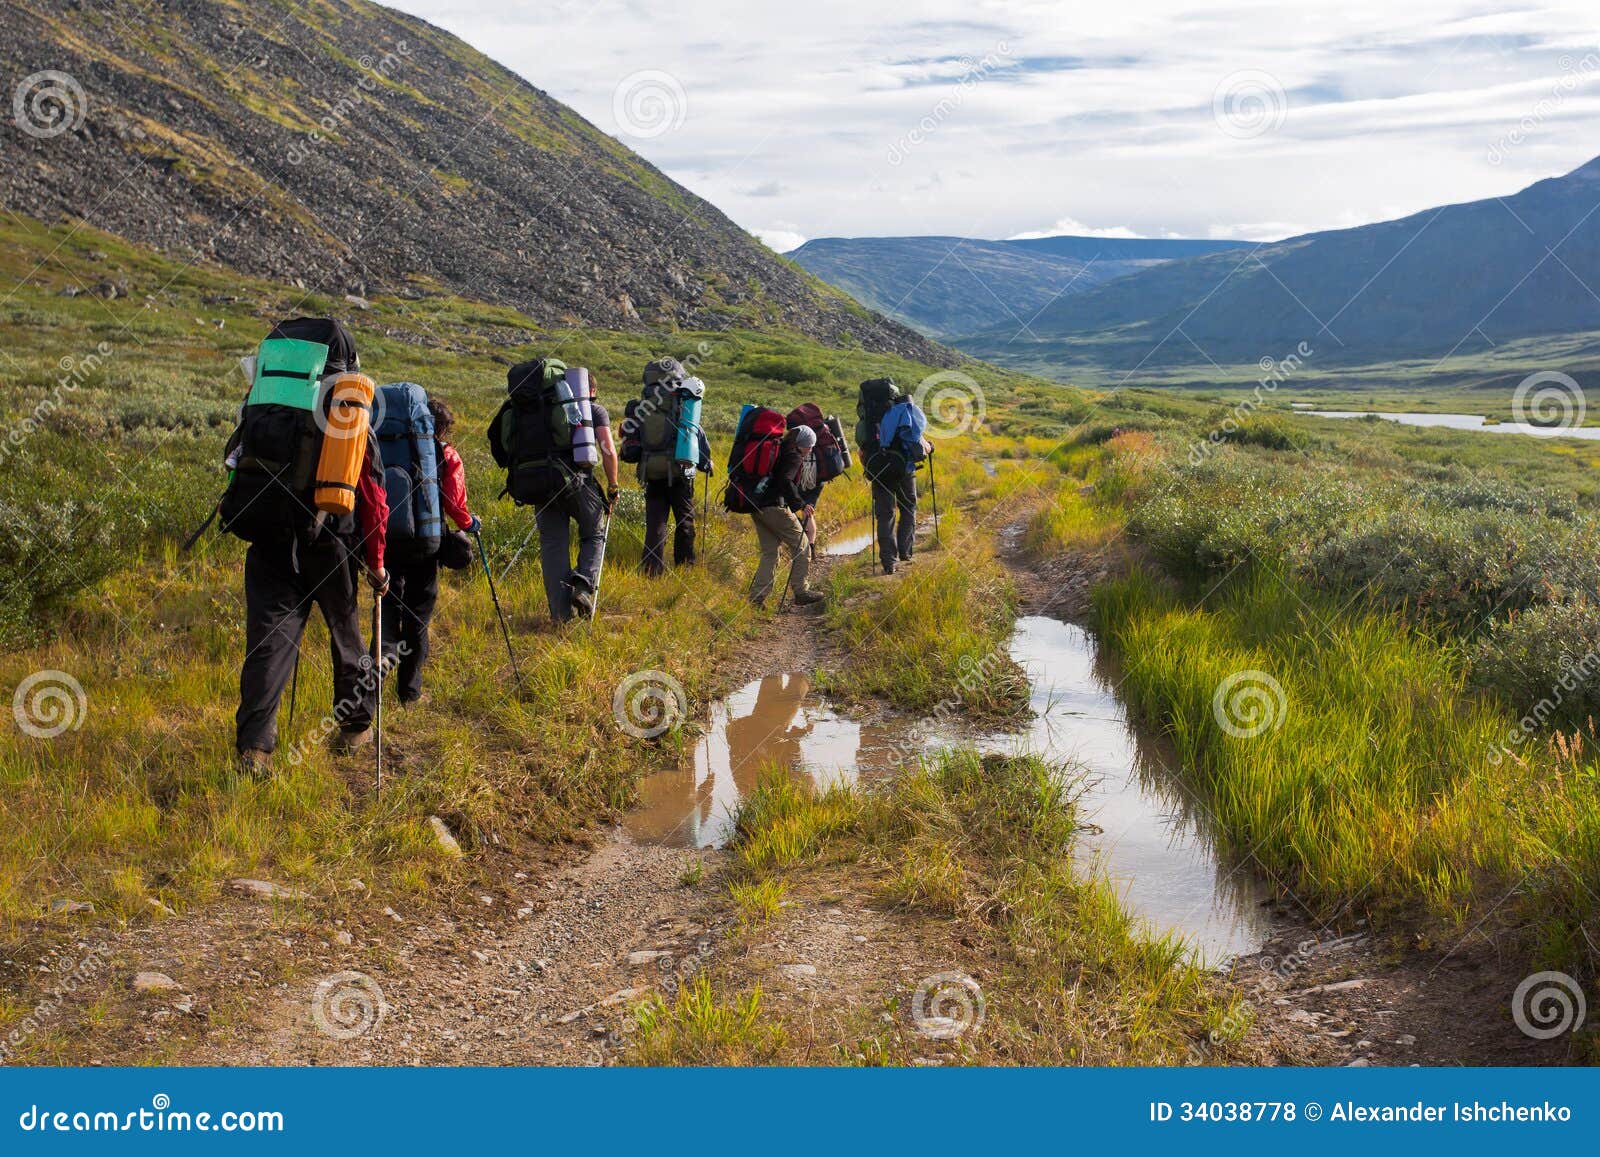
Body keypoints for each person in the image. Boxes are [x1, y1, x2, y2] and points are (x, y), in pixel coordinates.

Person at [229, 322, 390, 777]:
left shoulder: (263, 402)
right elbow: (375, 497)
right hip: (329, 541)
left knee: (267, 641)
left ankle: (255, 749)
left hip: (268, 537)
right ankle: (355, 728)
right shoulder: (348, 412)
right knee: (345, 634)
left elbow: (234, 463)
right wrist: (377, 564)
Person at [380, 397, 479, 707]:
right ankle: (410, 694)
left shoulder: (383, 448)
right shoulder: (445, 454)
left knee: (387, 609)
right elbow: (453, 503)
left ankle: (382, 661)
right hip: (425, 544)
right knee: (417, 616)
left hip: (387, 540)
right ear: (442, 428)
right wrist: (470, 523)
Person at [538, 372, 619, 622]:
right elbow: (608, 450)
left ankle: (561, 617)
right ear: (589, 390)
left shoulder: (543, 408)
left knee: (553, 546)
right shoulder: (594, 410)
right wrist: (613, 485)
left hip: (543, 484)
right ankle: (583, 587)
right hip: (579, 482)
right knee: (594, 533)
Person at [748, 425, 825, 608]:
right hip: (775, 508)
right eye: (810, 446)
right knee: (803, 546)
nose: (811, 450)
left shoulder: (780, 450)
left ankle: (756, 599)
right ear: (803, 444)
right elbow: (785, 481)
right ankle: (801, 591)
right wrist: (801, 504)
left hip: (757, 507)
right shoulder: (794, 457)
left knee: (770, 553)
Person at [871, 394, 930, 575]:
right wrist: (930, 446)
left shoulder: (874, 419)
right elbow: (919, 447)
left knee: (885, 515)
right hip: (904, 471)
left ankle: (889, 562)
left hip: (879, 471)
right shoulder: (907, 413)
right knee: (908, 508)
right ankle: (905, 552)